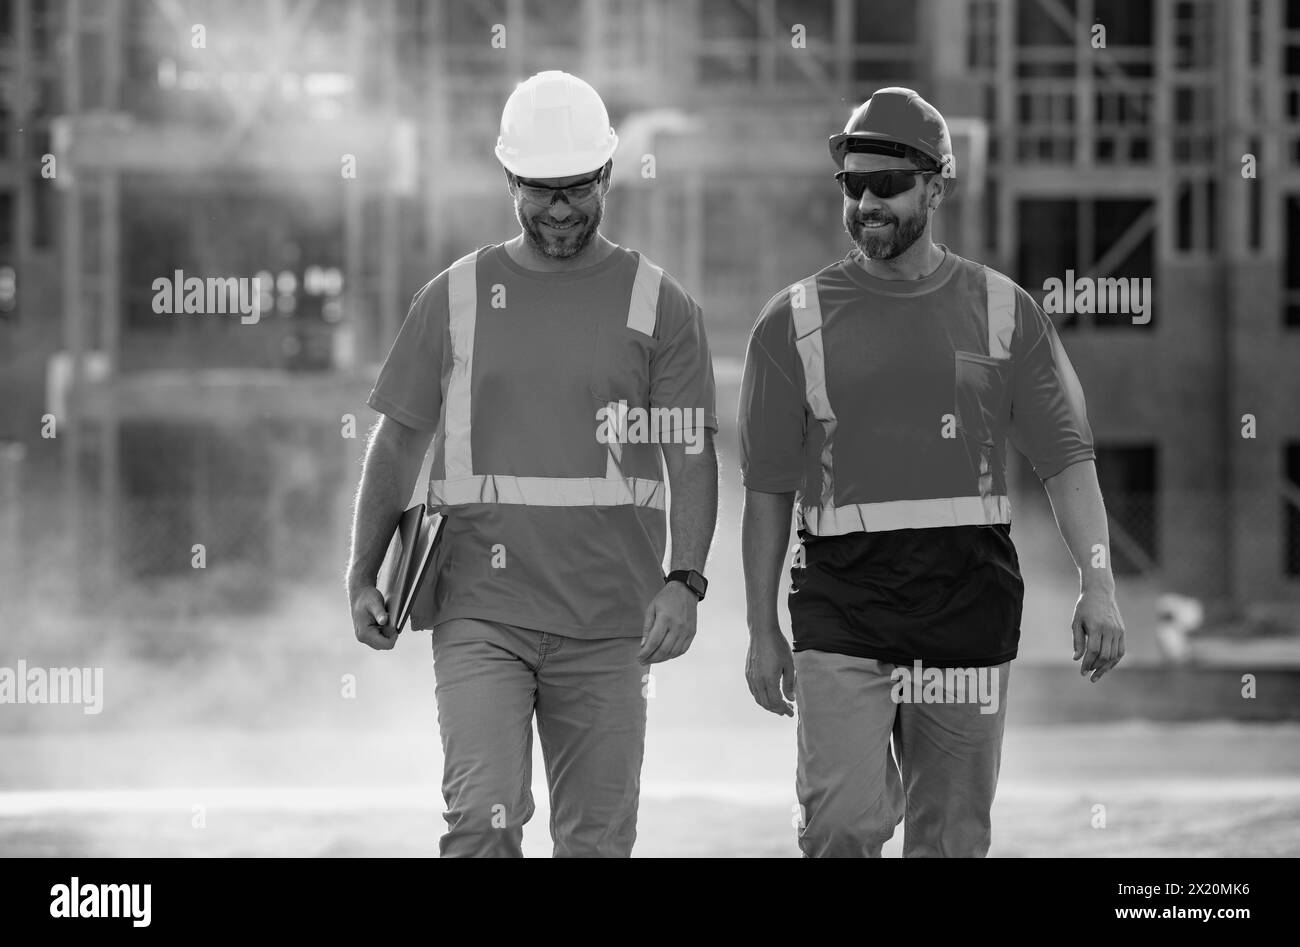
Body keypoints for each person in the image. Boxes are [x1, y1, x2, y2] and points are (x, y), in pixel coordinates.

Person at [738, 87, 1126, 857]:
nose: (867, 203)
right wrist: (759, 627)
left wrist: (1100, 581)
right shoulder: (794, 319)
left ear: (936, 187)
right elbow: (768, 488)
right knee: (840, 823)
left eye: (887, 185)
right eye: (853, 185)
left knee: (950, 839)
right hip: (842, 596)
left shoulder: (1005, 310)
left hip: (966, 594)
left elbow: (1067, 461)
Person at [347, 70, 718, 858]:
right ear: (509, 179)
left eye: (577, 189)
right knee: (480, 821)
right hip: (481, 609)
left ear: (609, 175)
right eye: (540, 189)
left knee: (596, 841)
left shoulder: (659, 305)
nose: (559, 209)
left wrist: (686, 579)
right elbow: (399, 440)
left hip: (610, 621)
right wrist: (362, 571)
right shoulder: (454, 297)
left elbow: (691, 454)